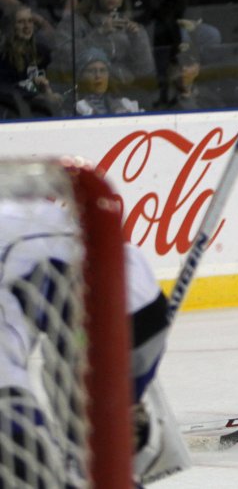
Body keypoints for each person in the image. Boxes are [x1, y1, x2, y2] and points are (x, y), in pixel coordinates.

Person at [0, 190, 190, 486]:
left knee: (38, 457)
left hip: (110, 325)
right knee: (96, 450)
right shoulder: (15, 209)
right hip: (145, 306)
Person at [52, 0, 155, 99]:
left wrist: (138, 39)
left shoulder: (131, 28)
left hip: (125, 94)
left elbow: (146, 72)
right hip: (84, 94)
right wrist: (99, 34)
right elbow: (63, 58)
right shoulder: (75, 22)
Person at [0, 3, 63, 117]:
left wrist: (52, 93)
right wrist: (36, 96)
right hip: (14, 114)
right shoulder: (3, 56)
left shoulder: (42, 52)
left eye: (30, 21)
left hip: (43, 111)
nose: (27, 26)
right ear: (11, 26)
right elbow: (4, 89)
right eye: (21, 22)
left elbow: (56, 80)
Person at [68, 47, 143, 116]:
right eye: (91, 71)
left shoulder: (126, 105)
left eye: (103, 70)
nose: (98, 75)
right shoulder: (75, 108)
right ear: (81, 76)